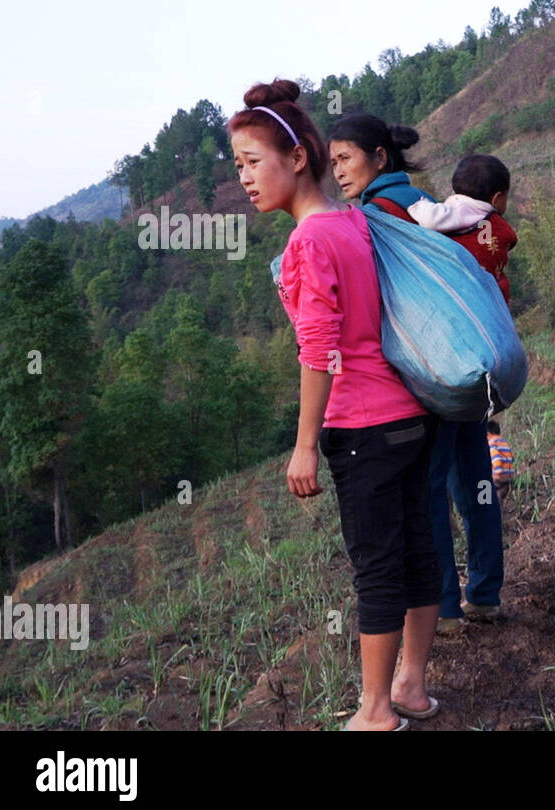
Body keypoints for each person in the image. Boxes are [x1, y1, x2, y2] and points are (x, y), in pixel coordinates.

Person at [228, 80, 441, 730]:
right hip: (409, 412)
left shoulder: (309, 241)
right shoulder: (354, 219)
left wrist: (302, 444)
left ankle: (375, 710)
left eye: (252, 161)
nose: (244, 178)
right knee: (420, 548)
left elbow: (318, 351)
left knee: (377, 566)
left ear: (296, 157)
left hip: (363, 429)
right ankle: (411, 685)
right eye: (237, 166)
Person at [405, 154, 518, 634]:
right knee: (477, 485)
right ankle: (485, 593)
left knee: (433, 491)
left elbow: (421, 217)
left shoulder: (437, 216)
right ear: (496, 199)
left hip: (441, 374)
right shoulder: (496, 231)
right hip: (482, 374)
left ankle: (446, 609)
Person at [407, 154, 517, 306]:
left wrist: (420, 205)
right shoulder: (492, 222)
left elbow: (428, 218)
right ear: (497, 199)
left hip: (455, 295)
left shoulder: (449, 212)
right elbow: (509, 239)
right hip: (491, 298)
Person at [327, 112, 435, 213]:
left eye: (345, 158)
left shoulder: (377, 214)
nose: (338, 174)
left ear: (380, 157)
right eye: (334, 163)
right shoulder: (421, 197)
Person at [487, 420, 515, 499]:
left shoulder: (492, 443)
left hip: (499, 476)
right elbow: (512, 458)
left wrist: (497, 472)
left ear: (488, 434)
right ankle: (496, 507)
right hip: (509, 475)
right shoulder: (504, 442)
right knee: (498, 495)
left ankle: (485, 507)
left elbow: (496, 458)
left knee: (483, 483)